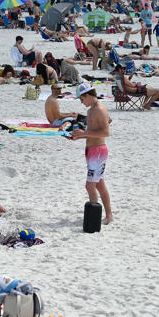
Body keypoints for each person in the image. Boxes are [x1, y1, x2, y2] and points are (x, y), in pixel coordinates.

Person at [70, 83, 113, 225]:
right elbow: (92, 132)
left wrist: (85, 133)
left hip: (98, 151)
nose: (81, 102)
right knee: (99, 184)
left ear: (88, 95)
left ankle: (94, 218)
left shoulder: (99, 109)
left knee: (90, 186)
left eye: (81, 99)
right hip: (92, 150)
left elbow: (106, 133)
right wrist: (78, 136)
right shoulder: (91, 110)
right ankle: (109, 215)